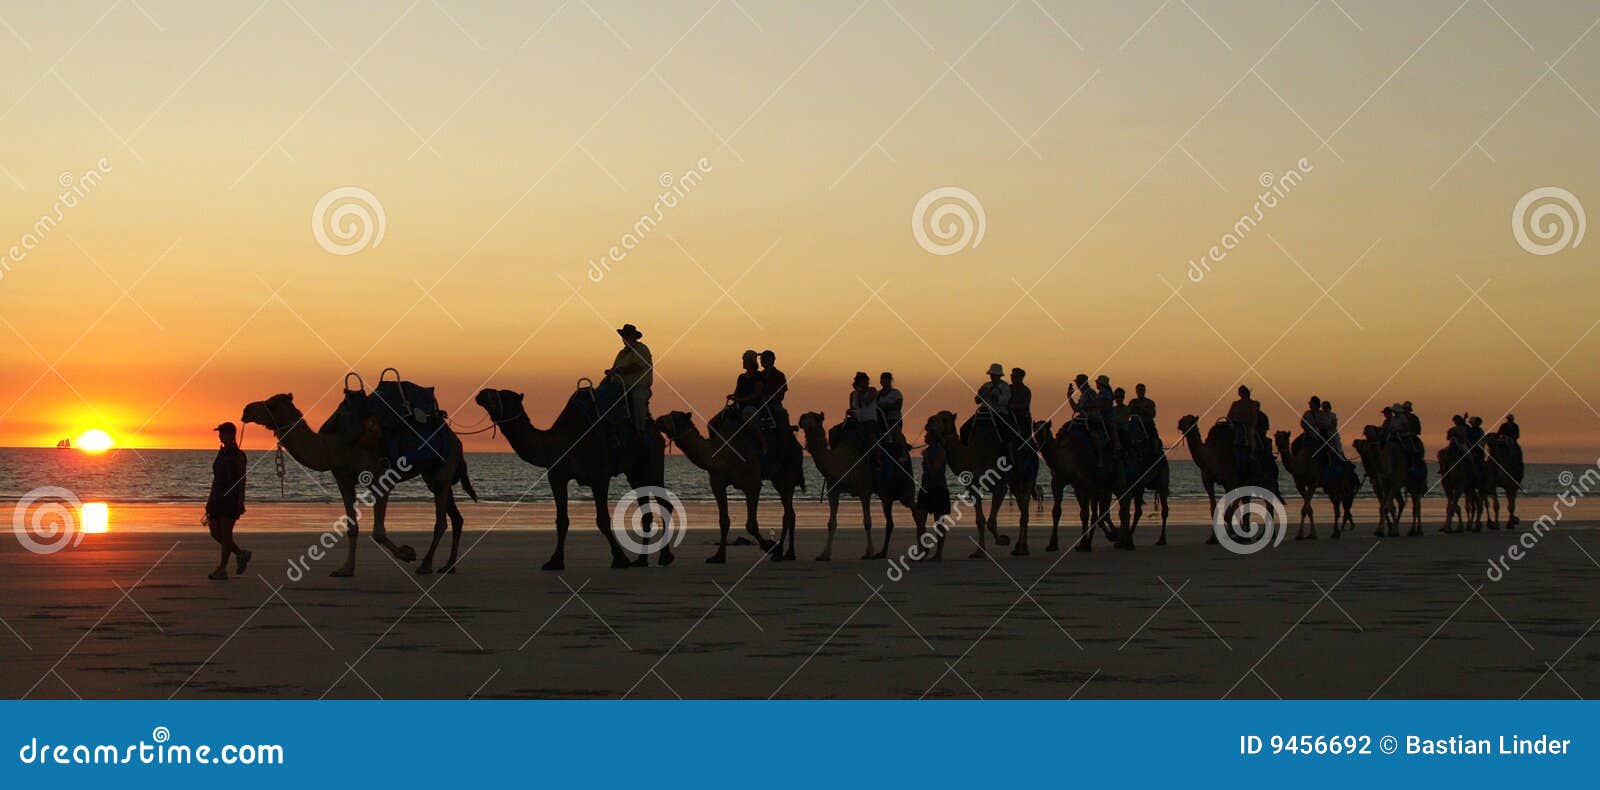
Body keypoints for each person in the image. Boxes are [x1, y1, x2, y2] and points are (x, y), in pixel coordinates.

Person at [205, 422, 251, 581]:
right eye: (220, 433)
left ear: (231, 435)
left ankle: (222, 569)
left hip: (230, 498)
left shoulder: (238, 455)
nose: (220, 436)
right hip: (216, 497)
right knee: (215, 532)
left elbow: (242, 479)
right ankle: (241, 554)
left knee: (226, 534)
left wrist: (241, 500)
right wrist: (209, 499)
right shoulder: (221, 453)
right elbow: (215, 479)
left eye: (222, 433)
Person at [606, 324, 653, 433]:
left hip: (638, 387)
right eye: (624, 336)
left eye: (628, 336)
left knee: (638, 398)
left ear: (634, 337)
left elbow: (637, 366)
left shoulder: (642, 349)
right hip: (619, 387)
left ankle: (640, 430)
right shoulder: (621, 353)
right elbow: (615, 368)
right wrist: (610, 373)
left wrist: (618, 371)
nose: (626, 338)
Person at [917, 423, 952, 524]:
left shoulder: (940, 451)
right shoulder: (928, 450)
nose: (925, 436)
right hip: (925, 488)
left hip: (938, 489)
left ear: (932, 437)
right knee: (920, 521)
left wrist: (926, 457)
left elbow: (935, 469)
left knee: (939, 522)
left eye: (927, 434)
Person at [731, 350, 765, 422]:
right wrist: (733, 397)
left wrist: (742, 400)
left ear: (751, 362)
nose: (743, 362)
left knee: (747, 415)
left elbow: (757, 394)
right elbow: (737, 392)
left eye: (745, 360)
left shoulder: (758, 376)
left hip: (752, 406)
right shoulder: (741, 377)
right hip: (739, 405)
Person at [759, 350, 789, 429]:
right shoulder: (759, 375)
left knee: (781, 413)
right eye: (762, 359)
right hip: (759, 404)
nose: (762, 361)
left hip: (773, 404)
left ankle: (785, 434)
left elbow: (781, 394)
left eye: (765, 358)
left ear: (772, 360)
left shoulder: (779, 375)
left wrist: (769, 398)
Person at [878, 371, 905, 452]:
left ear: (890, 381)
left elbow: (898, 406)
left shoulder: (896, 393)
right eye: (882, 379)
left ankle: (903, 452)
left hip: (893, 419)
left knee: (896, 433)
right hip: (881, 420)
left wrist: (885, 408)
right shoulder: (877, 394)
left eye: (886, 379)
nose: (884, 381)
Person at [1128, 382, 1159, 450]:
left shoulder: (1149, 402)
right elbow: (1127, 413)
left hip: (1147, 423)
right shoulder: (1133, 402)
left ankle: (1156, 450)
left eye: (1142, 390)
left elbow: (1153, 414)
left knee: (1154, 435)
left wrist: (1142, 408)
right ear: (1136, 391)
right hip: (1135, 424)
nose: (1140, 392)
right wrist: (1133, 408)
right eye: (1139, 390)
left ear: (1144, 391)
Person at [1008, 368, 1032, 447]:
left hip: (1021, 417)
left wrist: (1011, 406)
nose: (1012, 378)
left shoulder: (1026, 391)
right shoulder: (1008, 388)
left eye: (1015, 376)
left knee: (1025, 438)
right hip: (1008, 415)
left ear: (1021, 378)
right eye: (1012, 376)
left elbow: (1024, 405)